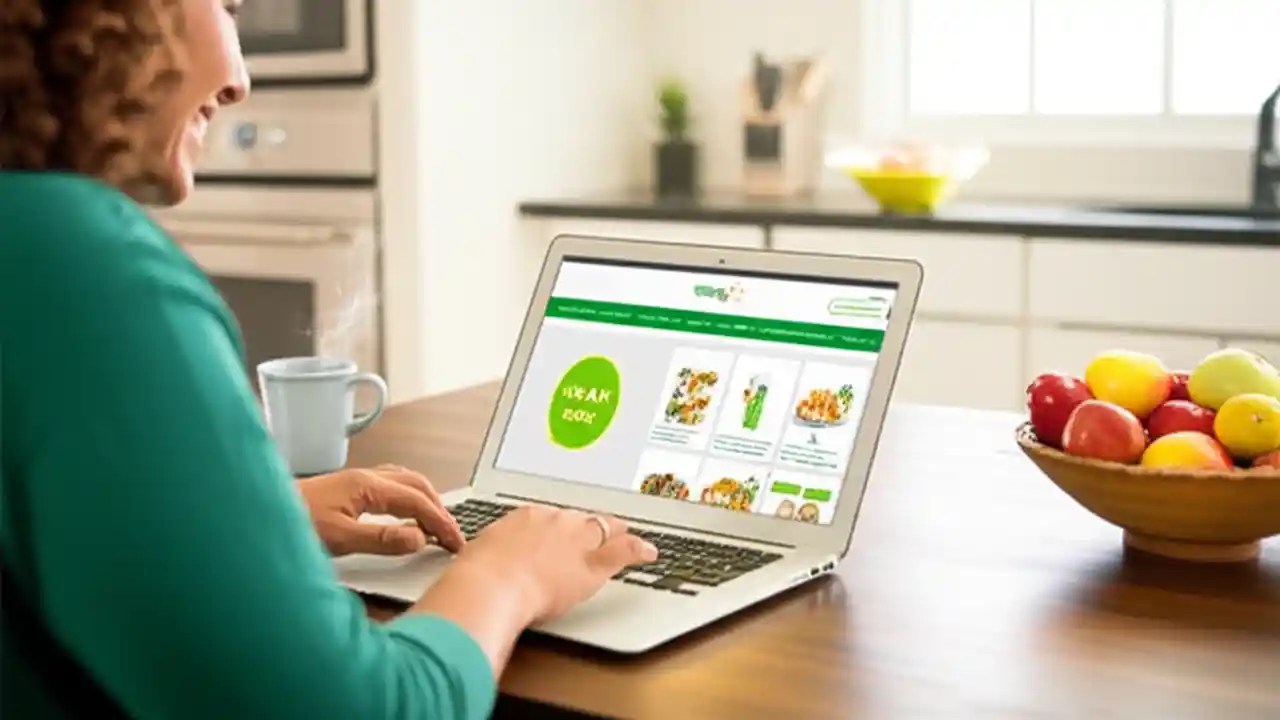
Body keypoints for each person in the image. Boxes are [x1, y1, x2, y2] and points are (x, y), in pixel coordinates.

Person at [0, 1, 658, 718]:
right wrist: (509, 574)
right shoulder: (84, 270)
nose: (239, 79)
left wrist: (241, 520)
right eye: (226, 5)